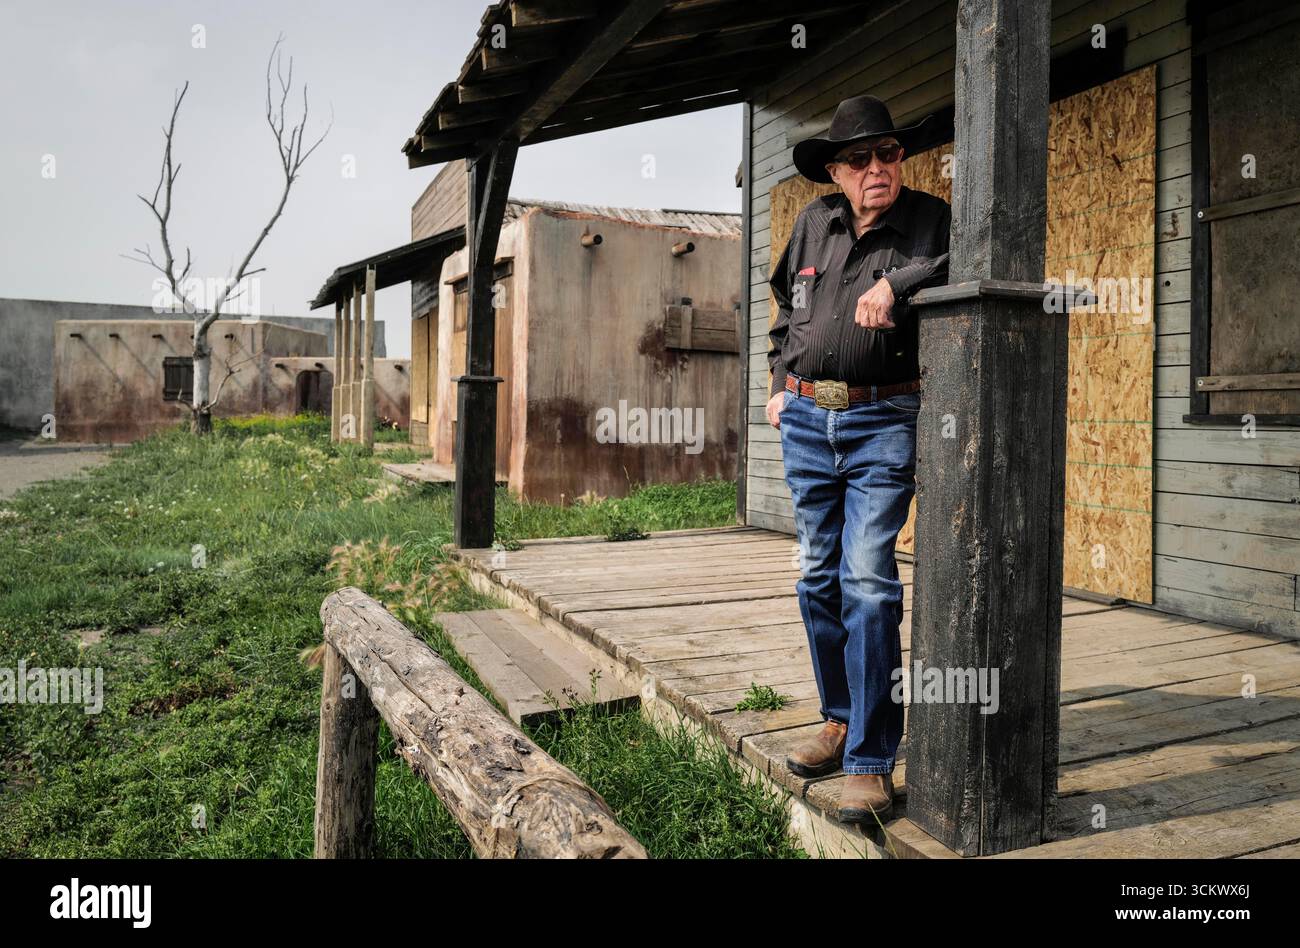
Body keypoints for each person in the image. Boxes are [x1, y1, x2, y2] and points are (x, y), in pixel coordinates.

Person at [767, 93, 950, 824]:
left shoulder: (929, 218)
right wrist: (781, 385)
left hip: (883, 418)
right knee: (817, 575)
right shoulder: (813, 223)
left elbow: (963, 258)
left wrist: (896, 284)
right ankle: (839, 718)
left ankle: (872, 759)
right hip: (808, 419)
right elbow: (784, 307)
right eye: (861, 159)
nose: (878, 168)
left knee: (867, 580)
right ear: (836, 171)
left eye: (889, 154)